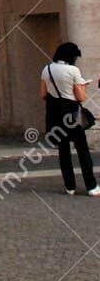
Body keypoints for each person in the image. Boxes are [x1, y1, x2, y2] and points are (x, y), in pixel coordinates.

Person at [41, 42, 99, 196]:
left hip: (55, 113)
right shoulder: (73, 70)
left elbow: (43, 94)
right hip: (72, 112)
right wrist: (84, 85)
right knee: (82, 149)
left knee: (63, 149)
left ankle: (70, 186)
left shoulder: (46, 69)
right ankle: (91, 186)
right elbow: (80, 97)